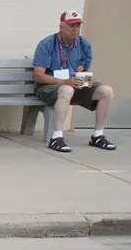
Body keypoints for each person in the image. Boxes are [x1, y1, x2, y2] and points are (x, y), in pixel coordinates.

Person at [31, 11, 117, 153]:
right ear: (61, 26)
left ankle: (98, 135)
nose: (75, 29)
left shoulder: (84, 44)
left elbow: (84, 69)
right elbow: (39, 76)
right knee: (67, 89)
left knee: (106, 91)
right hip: (49, 87)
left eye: (78, 25)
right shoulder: (47, 44)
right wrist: (64, 82)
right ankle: (57, 137)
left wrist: (85, 80)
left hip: (75, 85)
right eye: (71, 26)